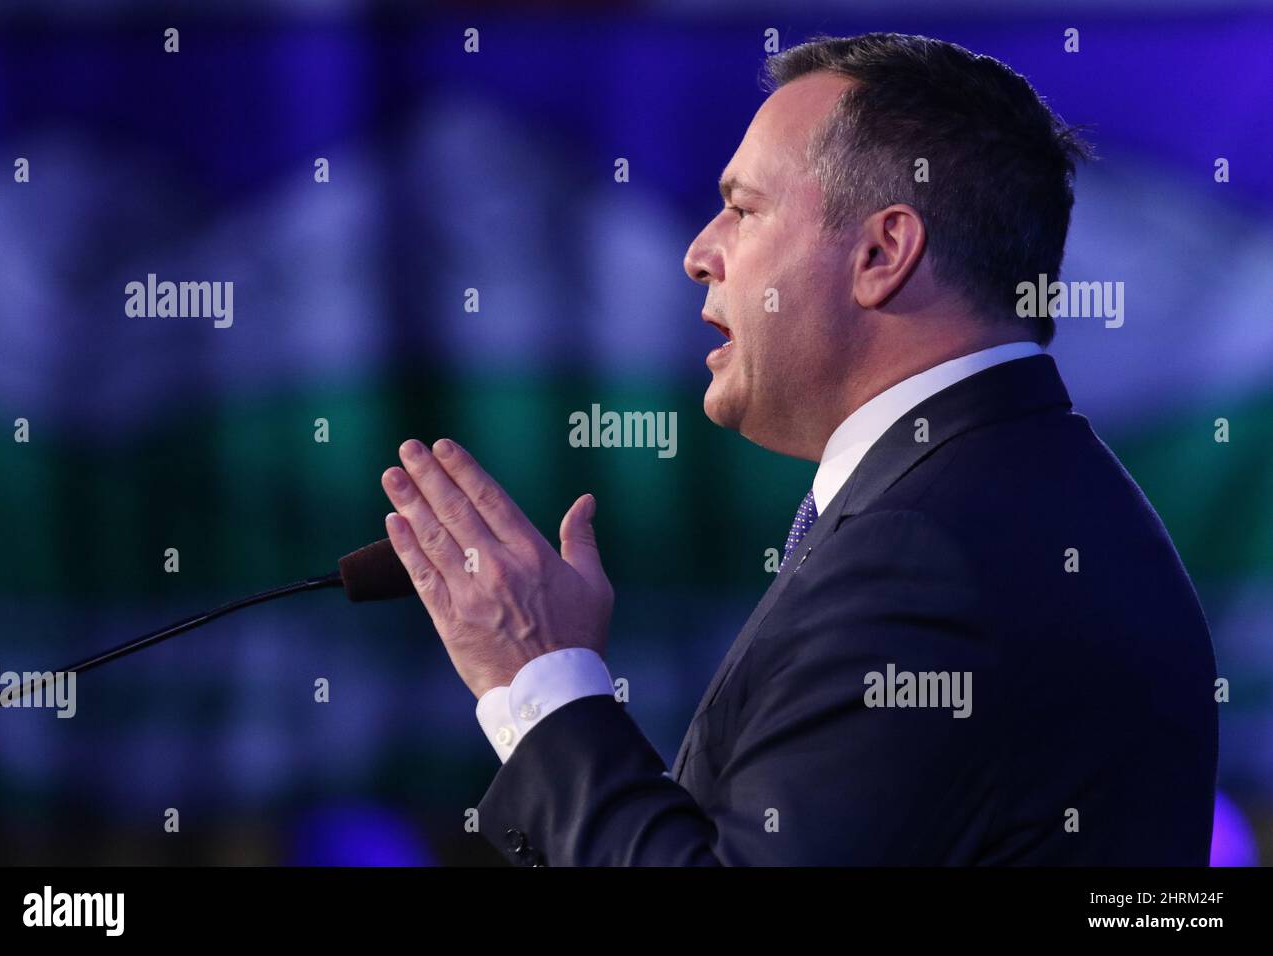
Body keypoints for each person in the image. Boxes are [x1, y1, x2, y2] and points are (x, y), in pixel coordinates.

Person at [379, 33, 1218, 865]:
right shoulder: (1007, 494)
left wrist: (544, 682)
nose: (698, 252)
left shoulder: (928, 555)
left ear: (881, 253)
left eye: (742, 209)